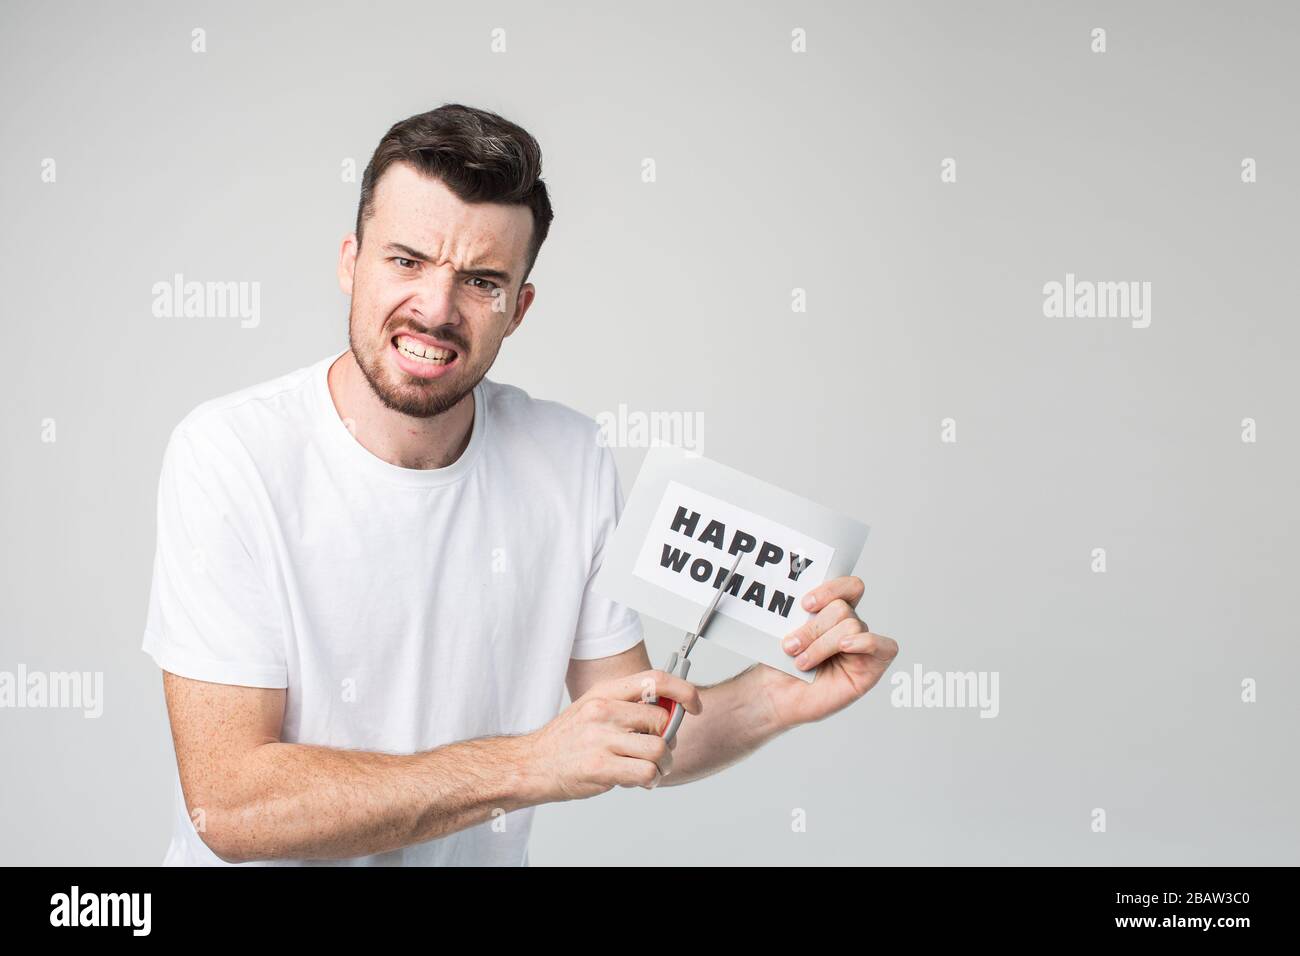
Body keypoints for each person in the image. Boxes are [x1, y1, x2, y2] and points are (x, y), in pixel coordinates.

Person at [142, 103, 899, 865]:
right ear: (350, 262)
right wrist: (530, 763)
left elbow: (627, 727)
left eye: (480, 281)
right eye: (406, 261)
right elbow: (232, 804)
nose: (435, 310)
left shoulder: (569, 457)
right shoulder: (229, 455)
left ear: (519, 308)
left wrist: (778, 694)